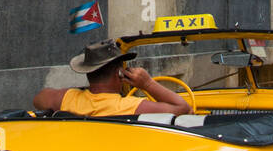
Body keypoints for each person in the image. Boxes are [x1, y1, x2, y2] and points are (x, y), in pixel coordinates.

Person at [32, 39, 191, 117]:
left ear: (88, 72)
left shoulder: (67, 99)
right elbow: (183, 109)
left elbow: (38, 99)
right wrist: (148, 84)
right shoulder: (131, 106)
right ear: (119, 73)